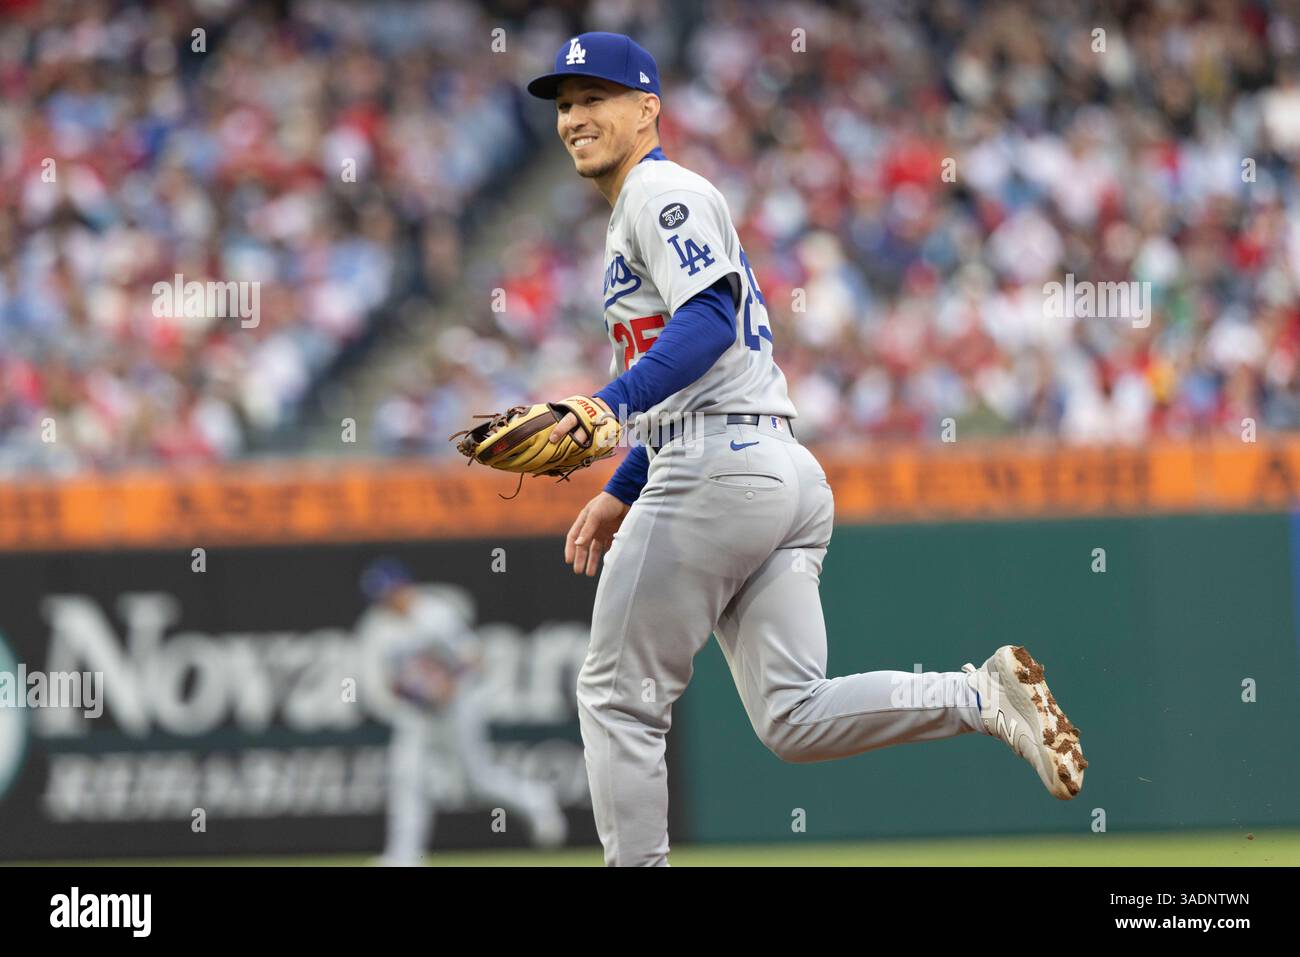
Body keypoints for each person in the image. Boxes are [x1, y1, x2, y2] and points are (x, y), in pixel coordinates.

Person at [526, 33, 1087, 867]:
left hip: (718, 473)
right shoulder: (645, 209)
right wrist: (621, 487)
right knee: (793, 715)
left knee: (618, 696)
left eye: (595, 97)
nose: (574, 117)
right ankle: (977, 692)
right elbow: (695, 370)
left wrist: (608, 406)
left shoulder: (659, 191)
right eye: (565, 104)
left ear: (648, 108)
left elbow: (710, 324)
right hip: (774, 470)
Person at [356, 558, 567, 865]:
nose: (388, 600)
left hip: (457, 708)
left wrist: (447, 686)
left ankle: (536, 800)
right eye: (382, 596)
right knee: (407, 779)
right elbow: (383, 683)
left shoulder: (435, 615)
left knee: (476, 780)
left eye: (391, 592)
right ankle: (403, 857)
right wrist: (410, 692)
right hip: (417, 714)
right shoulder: (377, 627)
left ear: (405, 586)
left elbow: (474, 658)